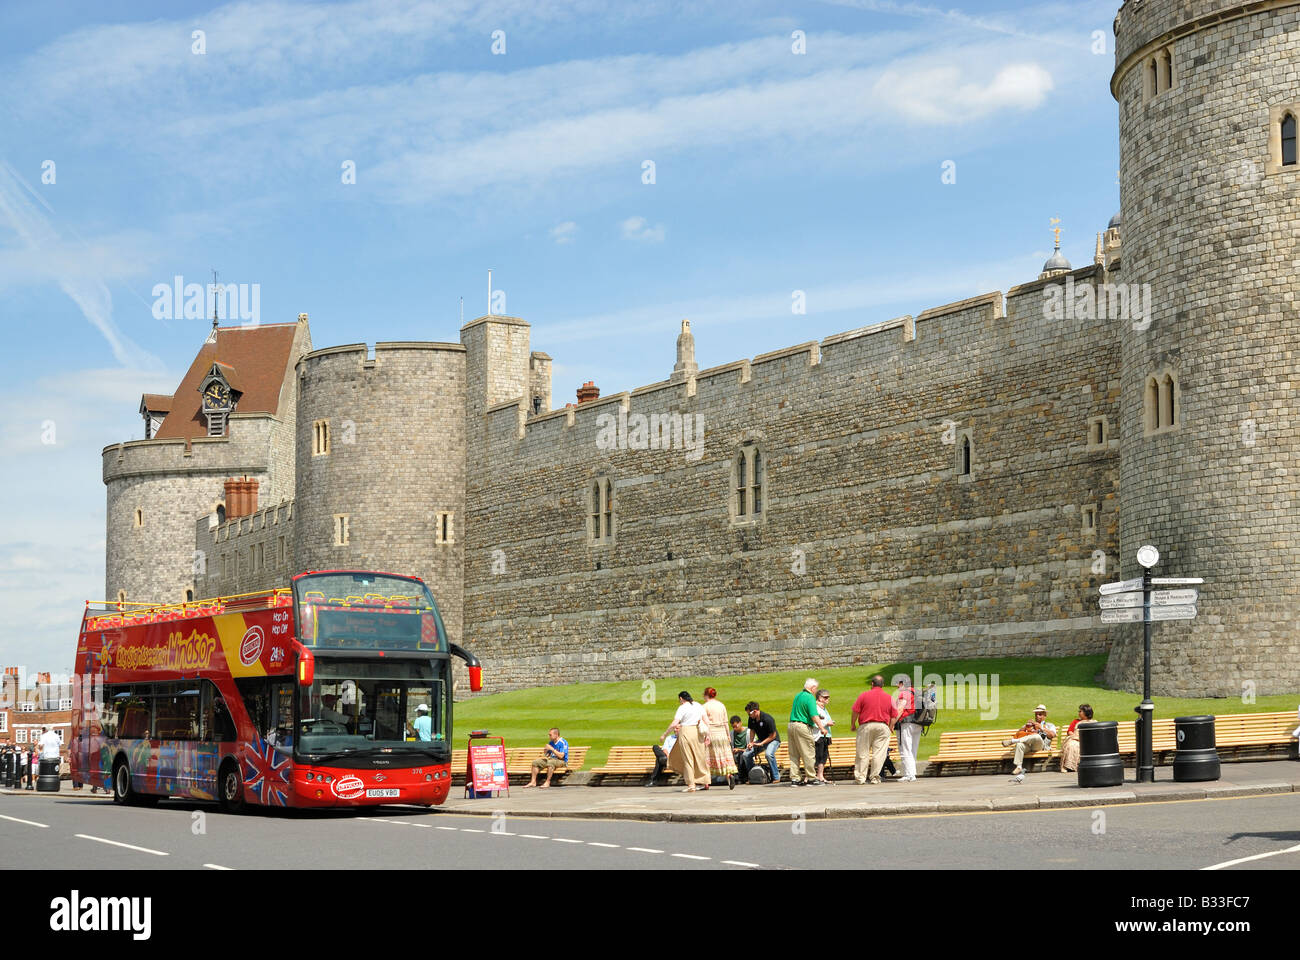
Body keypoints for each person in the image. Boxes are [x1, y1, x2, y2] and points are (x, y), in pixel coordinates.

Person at [850, 675, 896, 784]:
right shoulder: (890, 698)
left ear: (872, 684)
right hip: (882, 726)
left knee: (862, 753)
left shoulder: (864, 695)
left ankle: (860, 778)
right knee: (879, 754)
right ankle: (875, 777)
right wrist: (890, 727)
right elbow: (894, 716)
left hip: (866, 726)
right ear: (883, 685)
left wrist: (853, 724)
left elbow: (855, 711)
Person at [662, 691, 710, 792]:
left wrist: (665, 734)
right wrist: (708, 735)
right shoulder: (698, 705)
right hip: (698, 732)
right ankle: (704, 781)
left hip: (686, 731)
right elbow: (706, 721)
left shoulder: (682, 707)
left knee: (688, 759)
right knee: (700, 757)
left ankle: (691, 784)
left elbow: (675, 723)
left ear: (681, 698)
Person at [787, 679, 827, 786]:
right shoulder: (810, 697)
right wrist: (822, 728)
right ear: (812, 688)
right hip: (802, 726)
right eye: (816, 688)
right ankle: (811, 778)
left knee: (794, 754)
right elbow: (814, 715)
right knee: (808, 752)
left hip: (791, 725)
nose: (816, 691)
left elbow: (803, 711)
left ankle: (795, 779)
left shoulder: (798, 695)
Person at [1002, 704, 1057, 776]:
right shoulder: (1031, 725)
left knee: (1036, 736)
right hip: (1028, 746)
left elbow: (1052, 735)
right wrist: (1025, 726)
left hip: (1040, 746)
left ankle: (1013, 741)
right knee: (1019, 745)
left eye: (1040, 714)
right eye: (1036, 714)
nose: (1037, 716)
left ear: (1045, 715)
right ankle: (1019, 766)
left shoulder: (1050, 725)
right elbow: (1018, 733)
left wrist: (1041, 727)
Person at [701, 687, 738, 789]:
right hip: (722, 733)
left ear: (706, 695)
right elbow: (725, 722)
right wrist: (728, 736)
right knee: (724, 755)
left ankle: (706, 783)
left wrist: (705, 736)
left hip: (711, 732)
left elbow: (703, 722)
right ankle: (729, 775)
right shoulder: (721, 705)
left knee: (707, 757)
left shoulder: (704, 706)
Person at [740, 702, 781, 783]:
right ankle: (753, 776)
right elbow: (752, 730)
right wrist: (751, 742)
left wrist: (762, 743)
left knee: (768, 754)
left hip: (773, 740)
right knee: (746, 755)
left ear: (755, 711)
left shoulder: (767, 719)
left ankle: (776, 777)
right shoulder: (751, 719)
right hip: (761, 740)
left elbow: (773, 735)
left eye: (749, 714)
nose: (749, 716)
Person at [893, 677, 919, 782]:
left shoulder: (904, 693)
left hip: (907, 723)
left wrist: (892, 723)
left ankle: (909, 774)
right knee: (913, 749)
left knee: (905, 749)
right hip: (918, 723)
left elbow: (900, 709)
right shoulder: (916, 692)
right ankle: (911, 773)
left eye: (898, 684)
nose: (896, 686)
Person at [1059, 704, 1093, 773]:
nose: (1078, 713)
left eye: (1080, 711)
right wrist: (1076, 737)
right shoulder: (1076, 721)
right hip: (1075, 739)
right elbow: (1069, 732)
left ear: (1086, 713)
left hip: (1087, 740)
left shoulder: (1092, 722)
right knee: (1072, 745)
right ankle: (1069, 766)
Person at [813, 690, 835, 784]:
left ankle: (820, 776)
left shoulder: (823, 708)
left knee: (823, 757)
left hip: (826, 735)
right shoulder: (816, 708)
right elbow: (814, 722)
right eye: (825, 697)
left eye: (828, 697)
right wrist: (827, 723)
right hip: (819, 735)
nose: (827, 699)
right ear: (819, 698)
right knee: (818, 756)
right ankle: (811, 777)